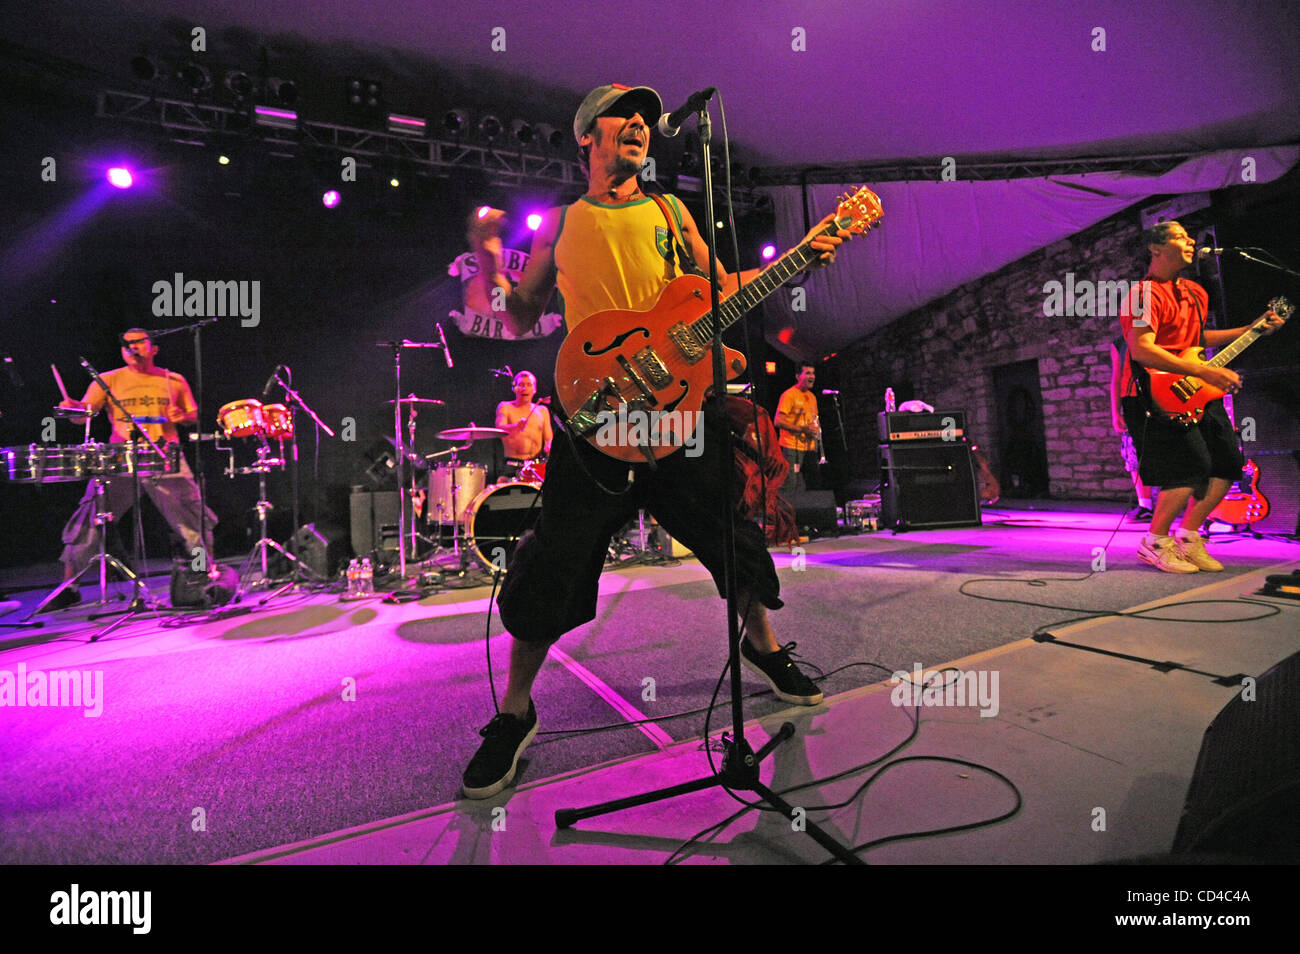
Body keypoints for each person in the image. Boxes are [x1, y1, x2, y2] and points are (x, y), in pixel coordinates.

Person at [460, 83, 851, 798]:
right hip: (597, 415)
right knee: (556, 557)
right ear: (588, 135)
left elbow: (718, 284)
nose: (639, 124)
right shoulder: (562, 223)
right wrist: (490, 263)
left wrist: (798, 257)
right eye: (623, 116)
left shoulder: (672, 211)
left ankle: (761, 648)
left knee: (728, 533)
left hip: (678, 411)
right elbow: (518, 320)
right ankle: (515, 712)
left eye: (645, 118)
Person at [1119, 221, 1284, 573]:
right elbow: (1142, 349)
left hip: (1196, 388)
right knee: (1188, 468)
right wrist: (1204, 371)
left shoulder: (1195, 292)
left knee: (1227, 464)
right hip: (1152, 393)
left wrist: (1252, 329)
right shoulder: (1143, 295)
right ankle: (1154, 542)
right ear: (1156, 248)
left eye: (1189, 236)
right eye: (1180, 236)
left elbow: (1195, 340)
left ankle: (1190, 537)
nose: (1191, 241)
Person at [45, 329, 217, 609]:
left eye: (139, 343)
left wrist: (182, 416)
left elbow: (193, 415)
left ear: (154, 348)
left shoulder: (172, 379)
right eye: (127, 345)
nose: (132, 348)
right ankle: (69, 587)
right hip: (120, 459)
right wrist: (72, 408)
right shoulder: (109, 379)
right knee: (91, 515)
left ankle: (207, 574)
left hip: (165, 456)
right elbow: (85, 414)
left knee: (191, 520)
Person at [1108, 335, 1155, 520]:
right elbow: (1116, 378)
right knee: (1134, 453)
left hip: (1159, 398)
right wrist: (1115, 412)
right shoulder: (1119, 344)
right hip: (1133, 401)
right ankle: (1145, 505)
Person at [495, 370, 552, 481]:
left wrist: (549, 446)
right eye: (521, 385)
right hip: (512, 465)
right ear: (515, 389)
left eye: (529, 385)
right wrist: (516, 426)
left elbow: (549, 439)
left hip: (535, 465)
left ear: (534, 389)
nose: (525, 388)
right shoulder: (505, 407)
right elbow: (499, 429)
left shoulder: (542, 410)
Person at [774, 363, 820, 497]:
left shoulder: (812, 397)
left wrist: (815, 431)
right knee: (790, 485)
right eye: (808, 373)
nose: (812, 376)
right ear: (798, 376)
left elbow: (813, 420)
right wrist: (802, 429)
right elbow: (778, 421)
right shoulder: (789, 395)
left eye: (813, 373)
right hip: (792, 447)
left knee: (813, 484)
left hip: (809, 447)